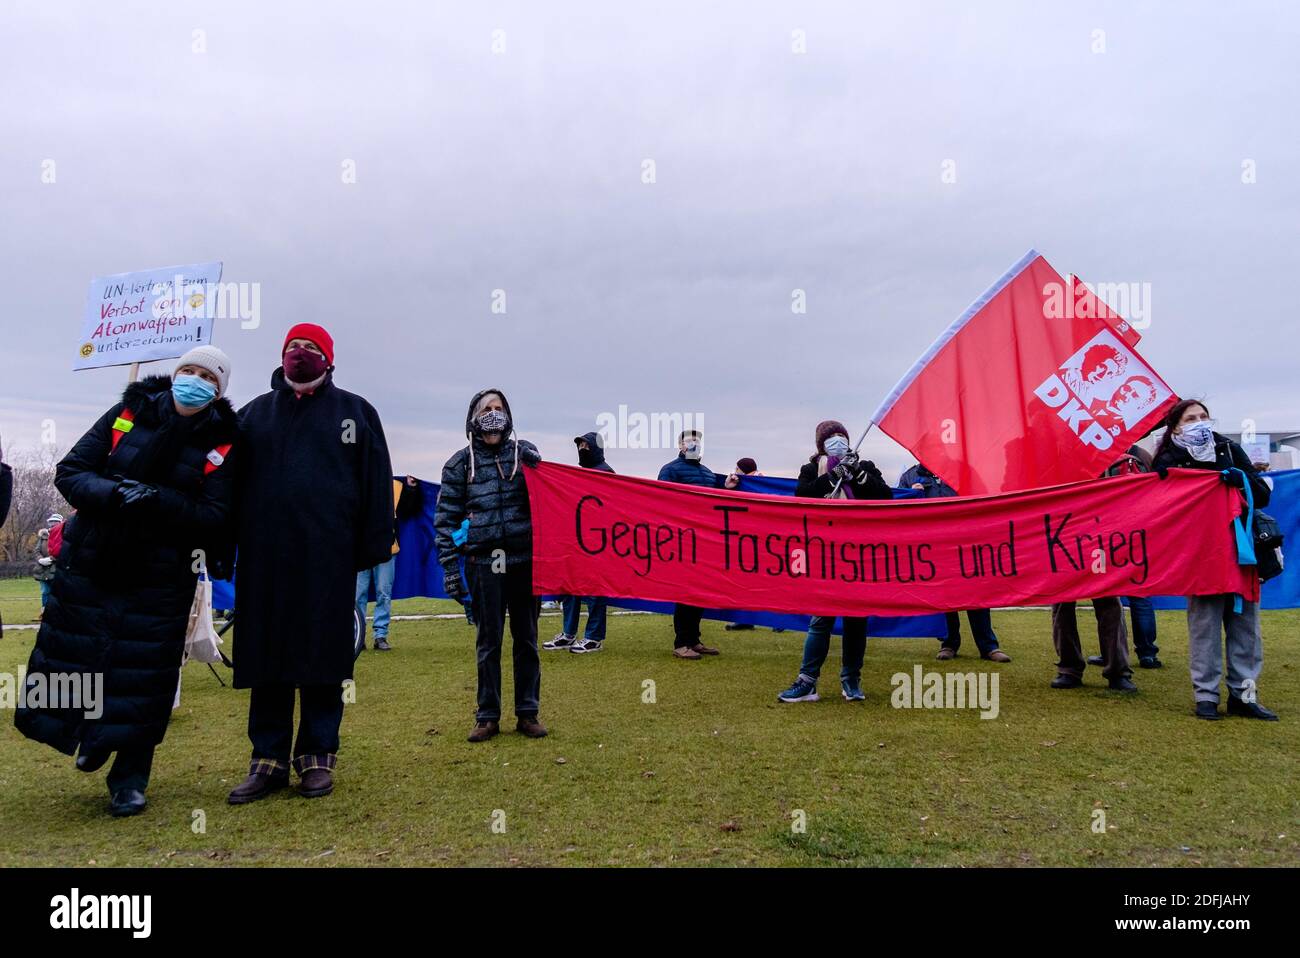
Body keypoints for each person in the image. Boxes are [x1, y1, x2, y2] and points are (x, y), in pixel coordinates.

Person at [14, 347, 239, 817]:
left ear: (218, 391)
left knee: (144, 673)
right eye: (188, 371)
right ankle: (90, 736)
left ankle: (130, 779)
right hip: (94, 561)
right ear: (175, 374)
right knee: (85, 656)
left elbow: (216, 515)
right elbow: (71, 471)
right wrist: (115, 492)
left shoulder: (224, 445)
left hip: (161, 575)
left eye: (207, 377)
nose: (194, 381)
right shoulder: (126, 414)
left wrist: (158, 500)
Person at [227, 324, 395, 804]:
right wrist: (223, 541)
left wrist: (371, 545)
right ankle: (268, 760)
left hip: (328, 557)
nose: (300, 354)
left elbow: (376, 481)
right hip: (265, 559)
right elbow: (227, 483)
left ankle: (318, 756)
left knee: (323, 657)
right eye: (293, 347)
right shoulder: (253, 415)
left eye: (311, 348)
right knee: (268, 657)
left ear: (328, 358)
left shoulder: (356, 413)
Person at [1152, 399, 1278, 721]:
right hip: (1200, 556)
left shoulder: (1229, 449)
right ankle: (1206, 696)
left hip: (1240, 552)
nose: (1199, 422)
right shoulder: (1167, 461)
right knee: (1204, 629)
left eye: (1203, 416)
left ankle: (1244, 696)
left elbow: (1262, 494)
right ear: (1175, 426)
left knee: (1246, 631)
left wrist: (1241, 480)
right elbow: (1156, 505)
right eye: (1190, 418)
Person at [435, 389, 546, 742]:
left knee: (527, 640)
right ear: (474, 417)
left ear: (508, 415)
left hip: (524, 561)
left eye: (499, 408)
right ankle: (487, 716)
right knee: (488, 642)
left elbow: (549, 500)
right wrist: (451, 570)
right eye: (487, 409)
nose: (493, 414)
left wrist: (538, 467)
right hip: (483, 563)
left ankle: (528, 713)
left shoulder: (524, 456)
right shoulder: (458, 464)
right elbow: (445, 520)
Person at [778, 421, 893, 703]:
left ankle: (851, 680)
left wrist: (859, 475)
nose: (838, 440)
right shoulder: (810, 469)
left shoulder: (865, 466)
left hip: (859, 552)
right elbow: (802, 497)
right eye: (831, 437)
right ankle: (807, 681)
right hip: (825, 553)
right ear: (821, 444)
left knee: (856, 620)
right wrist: (832, 477)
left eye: (842, 436)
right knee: (821, 619)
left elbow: (885, 496)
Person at [898, 463, 1010, 663]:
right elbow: (900, 512)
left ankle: (989, 647)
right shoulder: (910, 476)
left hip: (967, 544)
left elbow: (982, 499)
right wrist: (910, 495)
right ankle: (949, 643)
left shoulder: (962, 470)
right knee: (945, 595)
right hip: (935, 548)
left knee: (976, 594)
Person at [1089, 447, 1161, 669]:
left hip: (1104, 534)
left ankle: (1111, 652)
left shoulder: (1097, 457)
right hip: (1137, 534)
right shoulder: (1143, 456)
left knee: (1107, 597)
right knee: (1140, 594)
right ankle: (1147, 653)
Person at [657, 429, 726, 659]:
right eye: (689, 440)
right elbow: (662, 502)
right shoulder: (669, 470)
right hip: (682, 540)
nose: (694, 443)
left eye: (697, 440)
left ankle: (694, 640)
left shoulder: (707, 473)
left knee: (700, 591)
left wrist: (727, 487)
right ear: (680, 445)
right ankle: (681, 643)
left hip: (704, 542)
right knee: (685, 592)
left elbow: (714, 502)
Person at [546, 432, 612, 653]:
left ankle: (594, 637)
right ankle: (568, 633)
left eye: (586, 445)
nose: (582, 449)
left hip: (596, 545)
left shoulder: (606, 474)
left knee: (594, 591)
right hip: (575, 543)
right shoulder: (579, 475)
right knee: (569, 588)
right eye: (580, 445)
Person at [355, 475, 423, 652]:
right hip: (361, 550)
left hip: (387, 550)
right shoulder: (357, 483)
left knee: (383, 593)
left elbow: (408, 511)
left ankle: (380, 636)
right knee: (358, 595)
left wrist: (411, 488)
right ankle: (358, 635)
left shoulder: (395, 486)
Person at [31, 513, 63, 613]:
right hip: (43, 569)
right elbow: (36, 551)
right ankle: (45, 612)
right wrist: (40, 559)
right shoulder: (43, 537)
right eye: (51, 522)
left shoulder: (63, 535)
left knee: (56, 591)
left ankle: (57, 612)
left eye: (55, 522)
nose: (53, 524)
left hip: (56, 568)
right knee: (45, 591)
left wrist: (52, 559)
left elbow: (63, 550)